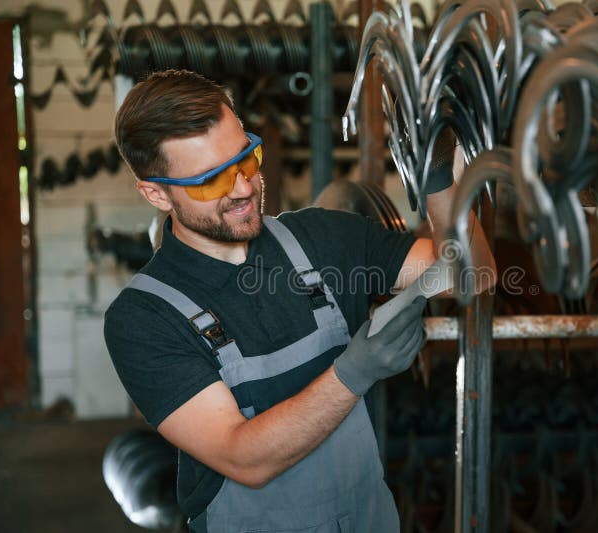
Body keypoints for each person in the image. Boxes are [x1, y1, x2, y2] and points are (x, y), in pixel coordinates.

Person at [104, 69, 495, 532]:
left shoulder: (323, 238)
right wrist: (355, 371)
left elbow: (472, 275)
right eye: (211, 182)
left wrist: (437, 173)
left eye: (246, 159)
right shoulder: (143, 317)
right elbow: (243, 458)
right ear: (156, 193)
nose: (244, 189)